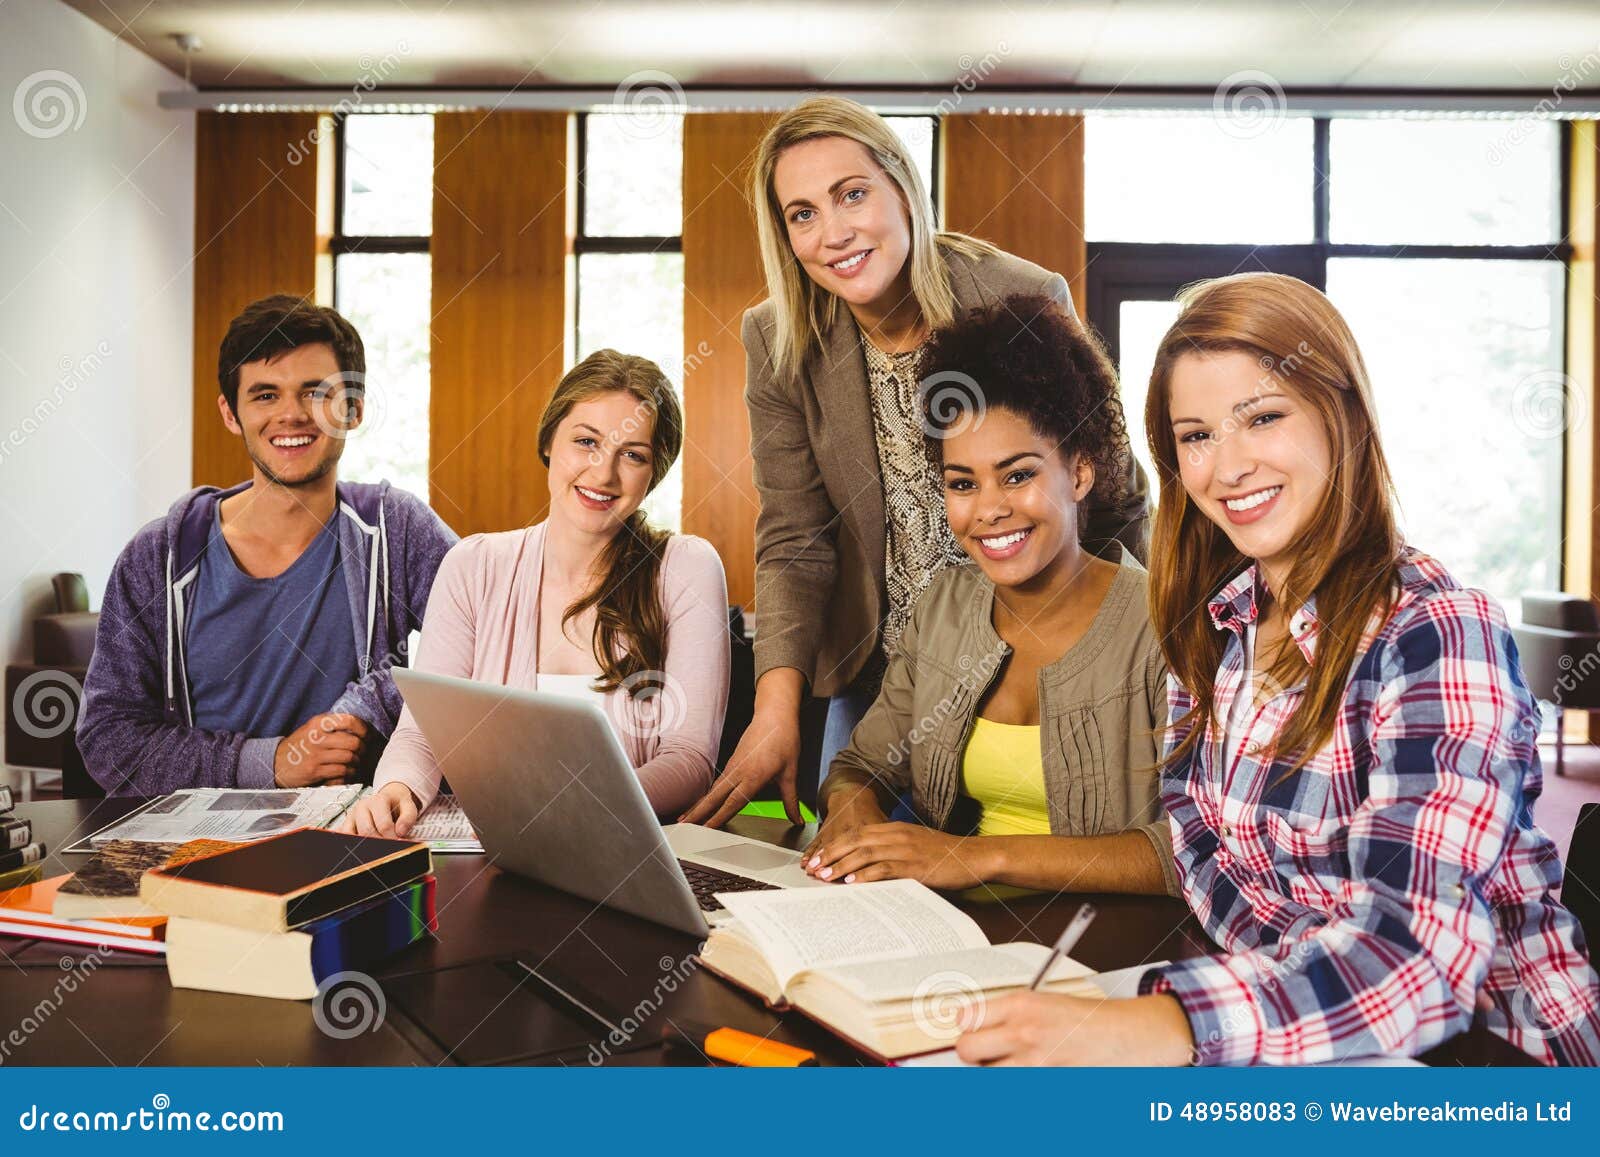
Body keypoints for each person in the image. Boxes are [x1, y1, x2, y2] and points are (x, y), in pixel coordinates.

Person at [956, 272, 1600, 1066]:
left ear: (1341, 415)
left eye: (1262, 417)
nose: (1226, 467)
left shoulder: (1436, 631)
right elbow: (1200, 851)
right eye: (1196, 435)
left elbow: (1411, 956)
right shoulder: (1215, 628)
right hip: (1309, 1037)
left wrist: (1162, 1025)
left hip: (1493, 1063)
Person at [682, 94, 1150, 828]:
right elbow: (795, 538)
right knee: (852, 860)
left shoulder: (1018, 295)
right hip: (881, 679)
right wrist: (774, 710)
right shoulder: (777, 340)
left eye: (852, 194)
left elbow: (1113, 492)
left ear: (903, 187)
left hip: (1033, 658)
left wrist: (1137, 655)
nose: (833, 233)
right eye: (802, 214)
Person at [798, 295, 1175, 896]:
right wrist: (855, 812)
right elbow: (860, 766)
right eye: (963, 484)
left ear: (1080, 473)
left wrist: (977, 857)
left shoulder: (1164, 626)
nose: (990, 510)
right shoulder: (943, 609)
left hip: (1105, 939)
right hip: (950, 931)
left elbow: (1193, 850)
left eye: (1018, 475)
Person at [78, 295, 457, 794]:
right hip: (203, 833)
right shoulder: (156, 557)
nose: (292, 414)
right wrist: (271, 763)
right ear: (231, 414)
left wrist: (370, 704)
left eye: (316, 392)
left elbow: (488, 645)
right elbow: (108, 738)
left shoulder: (398, 530)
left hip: (361, 827)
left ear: (354, 408)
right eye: (265, 395)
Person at [342, 350, 730, 837]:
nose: (603, 474)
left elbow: (690, 760)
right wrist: (397, 789)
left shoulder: (686, 567)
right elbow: (423, 732)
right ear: (549, 441)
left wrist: (582, 804)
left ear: (655, 471)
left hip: (629, 848)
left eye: (633, 454)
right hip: (498, 853)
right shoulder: (473, 565)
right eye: (586, 442)